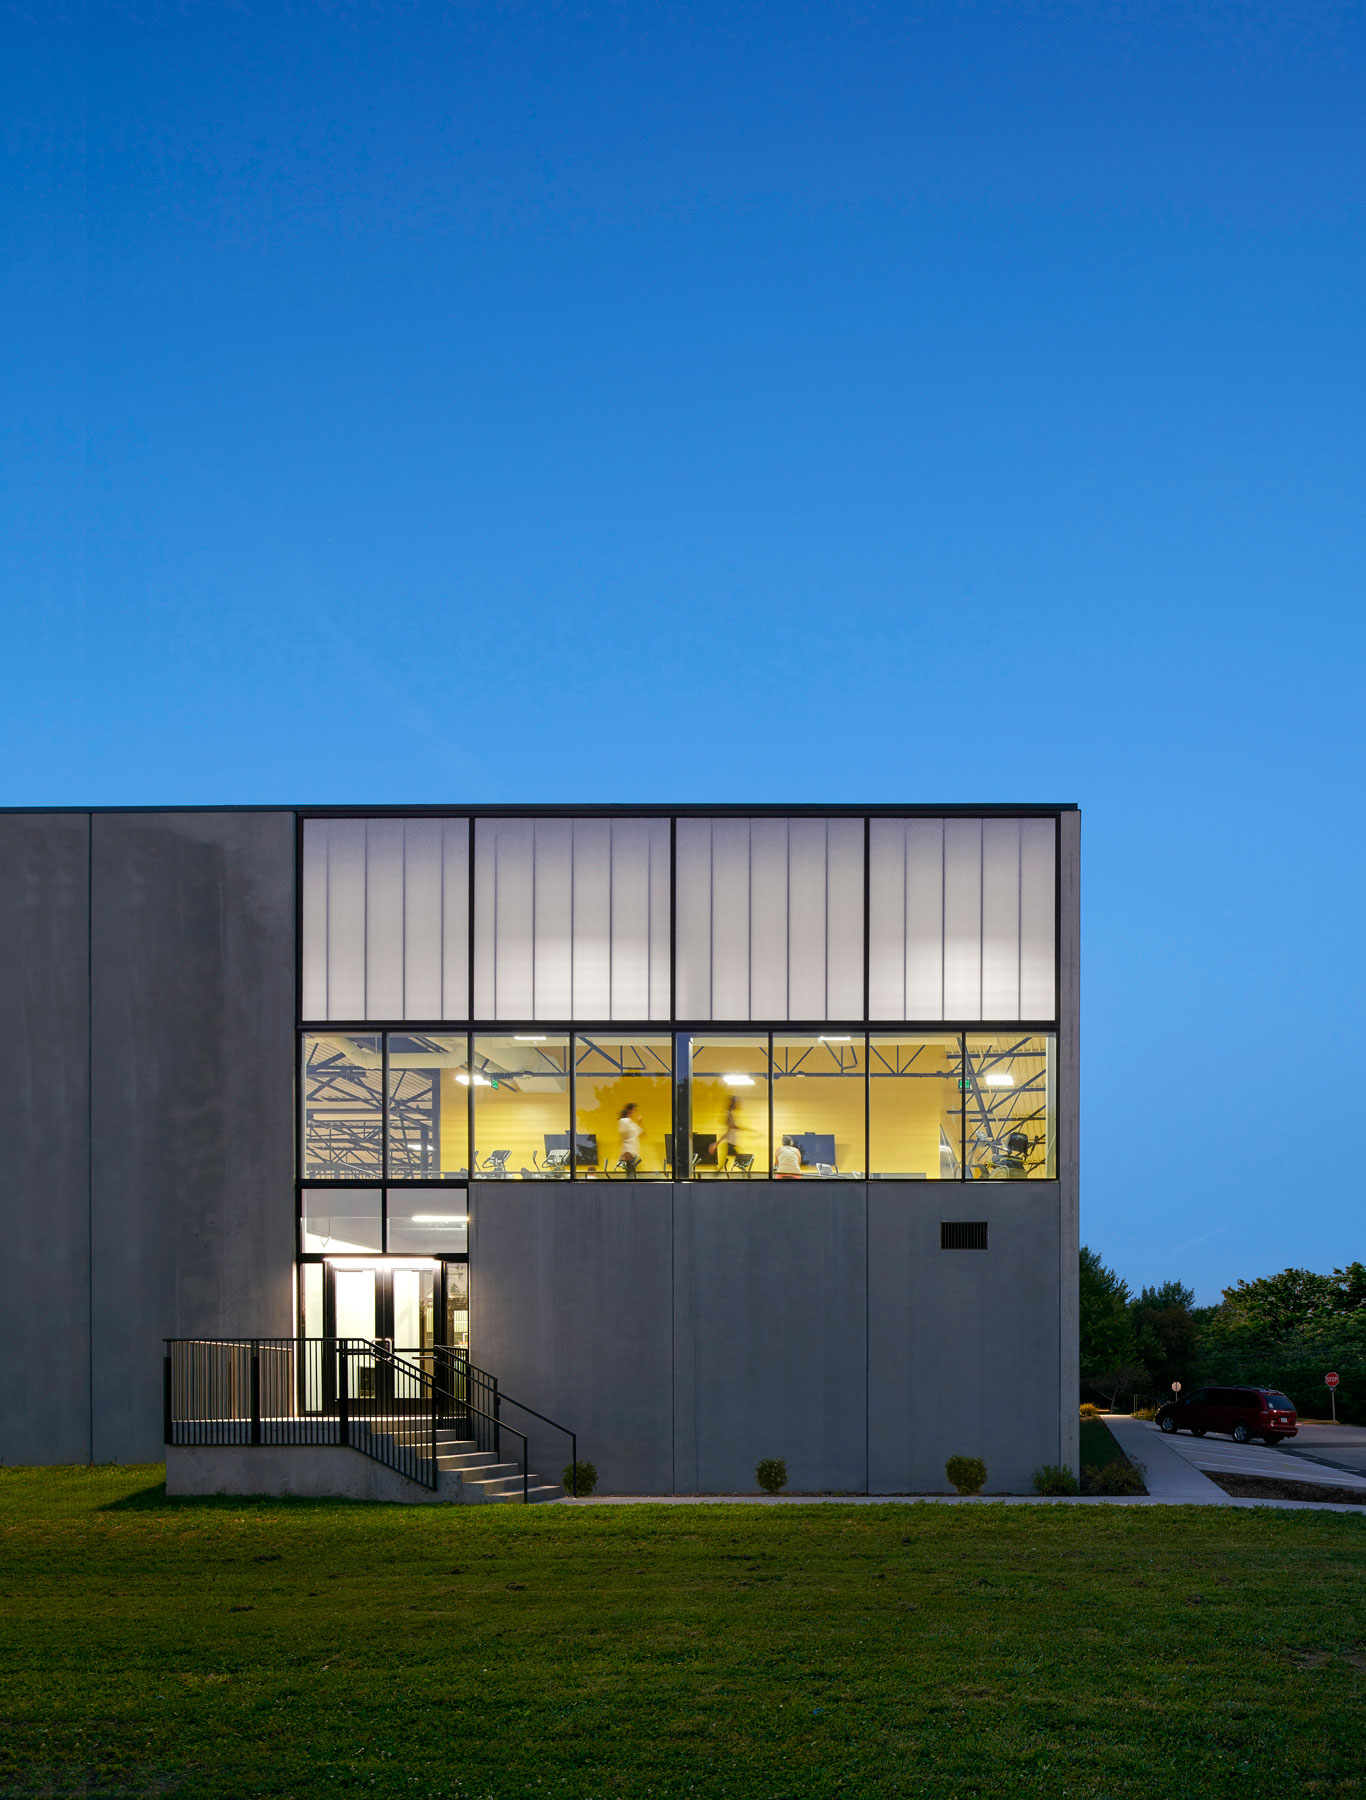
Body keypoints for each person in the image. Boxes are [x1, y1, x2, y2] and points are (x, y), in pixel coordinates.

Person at [709, 1095, 741, 1170]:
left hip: (731, 1143)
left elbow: (729, 1130)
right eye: (735, 1103)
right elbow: (729, 1130)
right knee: (739, 1160)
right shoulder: (729, 1114)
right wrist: (717, 1143)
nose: (736, 1105)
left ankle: (719, 1170)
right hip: (730, 1144)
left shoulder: (731, 1114)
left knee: (729, 1162)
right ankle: (719, 1170)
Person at [618, 1102, 643, 1176]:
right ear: (629, 1110)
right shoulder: (624, 1121)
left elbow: (639, 1133)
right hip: (628, 1151)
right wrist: (626, 1152)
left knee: (632, 1173)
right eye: (633, 1110)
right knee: (630, 1174)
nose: (634, 1112)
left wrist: (639, 1122)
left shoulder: (631, 1123)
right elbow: (624, 1136)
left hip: (633, 1152)